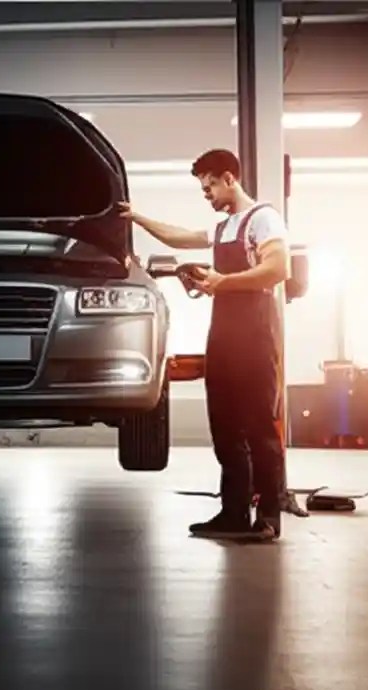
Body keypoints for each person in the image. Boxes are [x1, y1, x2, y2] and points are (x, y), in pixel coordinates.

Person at [119, 148, 291, 541]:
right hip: (224, 331)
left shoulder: (262, 219)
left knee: (260, 426)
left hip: (256, 331)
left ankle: (268, 517)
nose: (206, 193)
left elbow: (278, 268)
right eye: (203, 187)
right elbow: (180, 236)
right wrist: (137, 216)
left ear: (230, 178)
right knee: (225, 424)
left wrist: (221, 282)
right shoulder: (224, 227)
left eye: (210, 185)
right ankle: (233, 512)